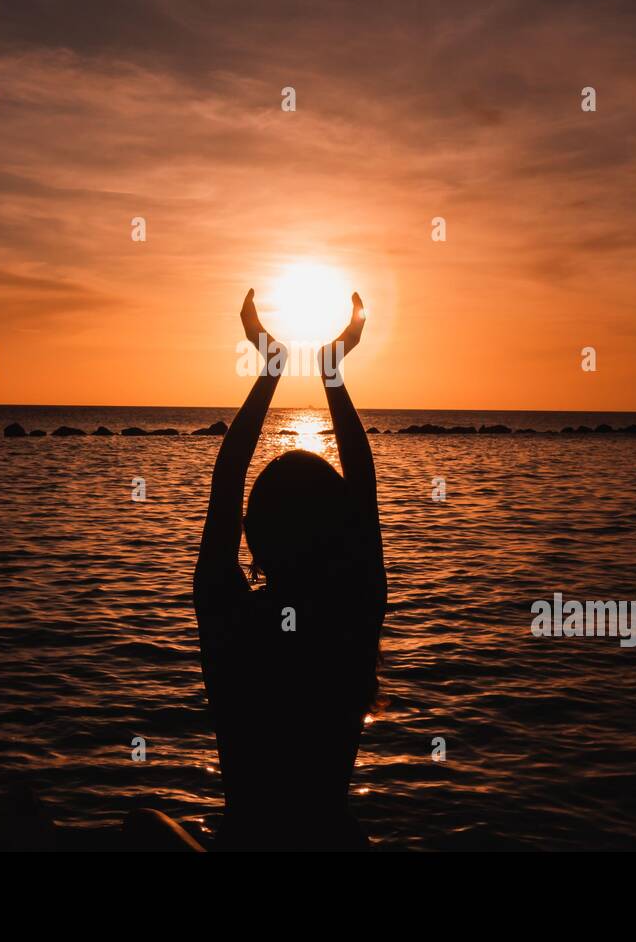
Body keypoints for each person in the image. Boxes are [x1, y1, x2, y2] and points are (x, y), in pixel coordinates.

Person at [191, 288, 388, 850]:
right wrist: (333, 376)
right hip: (331, 841)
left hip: (248, 842)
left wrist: (270, 369)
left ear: (251, 535)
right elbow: (366, 495)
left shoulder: (228, 615)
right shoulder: (351, 616)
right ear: (341, 532)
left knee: (142, 827)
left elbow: (225, 483)